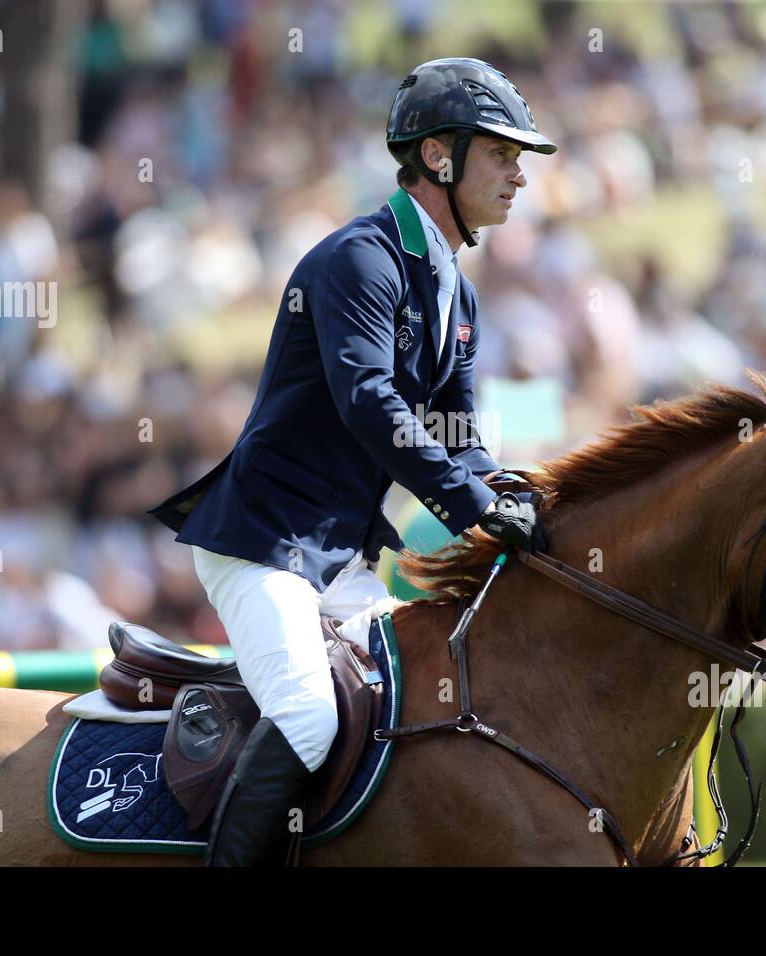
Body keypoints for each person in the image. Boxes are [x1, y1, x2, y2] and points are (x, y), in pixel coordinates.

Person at [147, 57, 555, 866]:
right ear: (438, 156)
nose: (519, 174)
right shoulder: (358, 260)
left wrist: (507, 490)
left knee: (420, 699)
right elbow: (370, 401)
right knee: (309, 717)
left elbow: (457, 433)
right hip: (263, 544)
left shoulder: (457, 294)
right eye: (502, 154)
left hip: (337, 559)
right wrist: (472, 507)